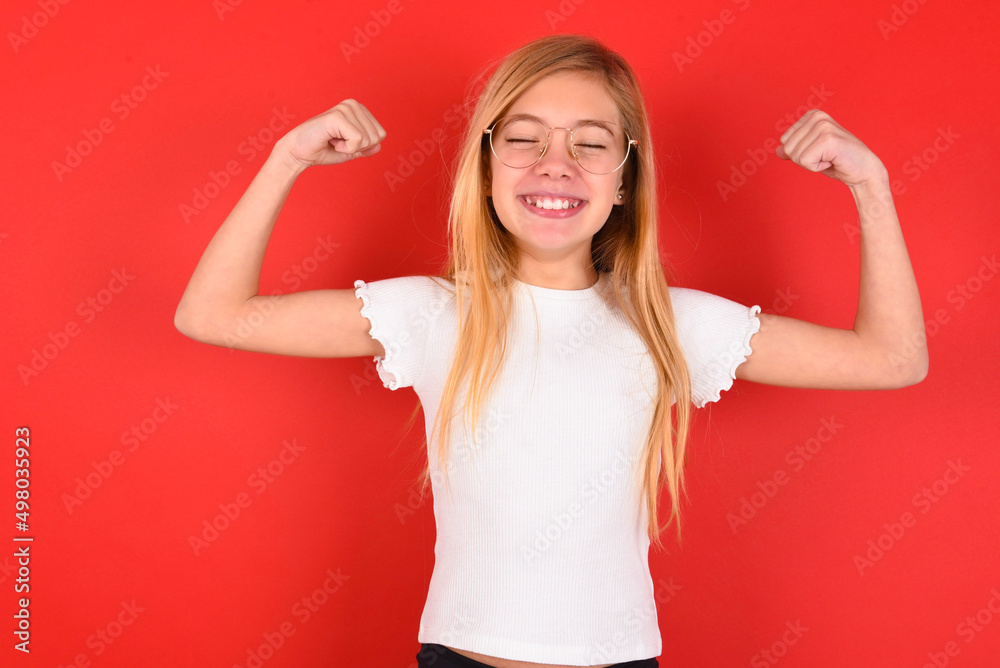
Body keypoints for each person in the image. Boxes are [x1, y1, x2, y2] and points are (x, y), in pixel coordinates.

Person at [174, 33, 927, 668]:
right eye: (523, 138)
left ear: (624, 181)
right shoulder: (434, 313)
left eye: (590, 144)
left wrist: (871, 185)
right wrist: (287, 158)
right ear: (486, 167)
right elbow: (213, 314)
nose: (554, 163)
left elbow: (891, 359)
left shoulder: (668, 323)